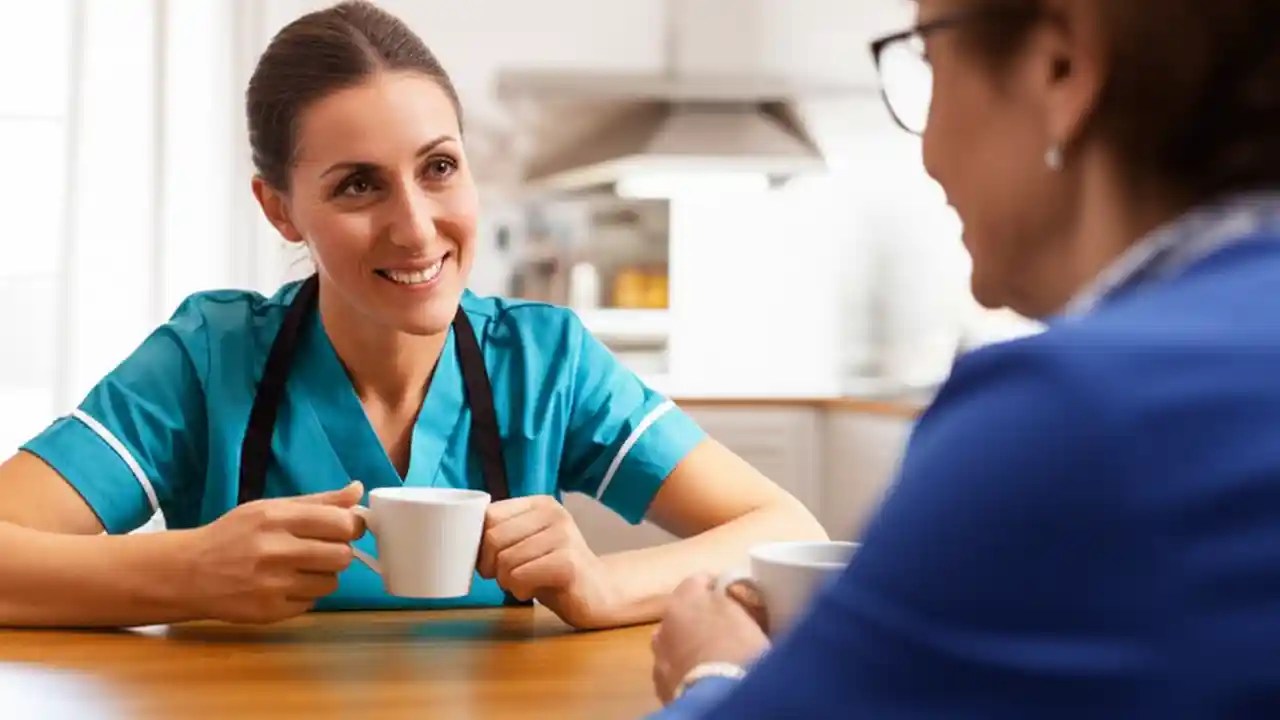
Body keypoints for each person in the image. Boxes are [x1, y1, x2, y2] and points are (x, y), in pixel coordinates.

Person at [0, 0, 825, 629]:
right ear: (281, 210)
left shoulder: (545, 364)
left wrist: (602, 583)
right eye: (358, 184)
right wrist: (183, 572)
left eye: (438, 167)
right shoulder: (206, 361)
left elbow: (784, 526)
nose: (416, 227)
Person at [649, 0, 1280, 716]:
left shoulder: (1077, 419)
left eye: (927, 63)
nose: (929, 153)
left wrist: (718, 675)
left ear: (1059, 68)